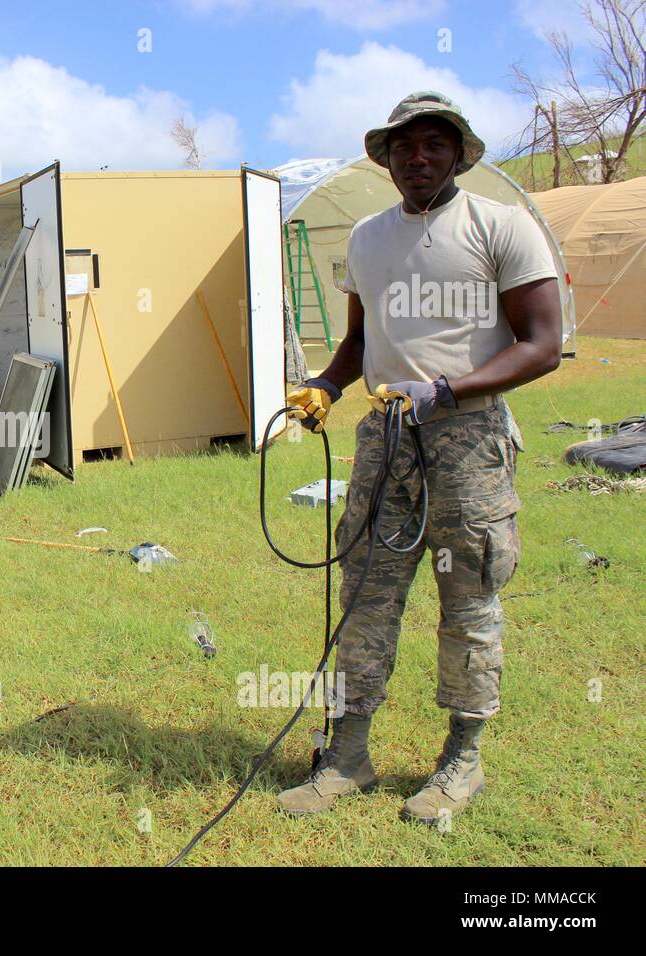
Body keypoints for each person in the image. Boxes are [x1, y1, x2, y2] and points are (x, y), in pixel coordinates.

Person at [279, 92, 562, 826]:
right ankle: (349, 756)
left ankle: (460, 761)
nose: (418, 157)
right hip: (385, 438)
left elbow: (541, 345)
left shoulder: (502, 227)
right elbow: (358, 342)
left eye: (434, 144)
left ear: (459, 153)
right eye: (405, 146)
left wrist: (445, 389)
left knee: (468, 600)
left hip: (467, 439)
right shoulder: (369, 240)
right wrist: (325, 387)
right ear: (387, 157)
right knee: (366, 598)